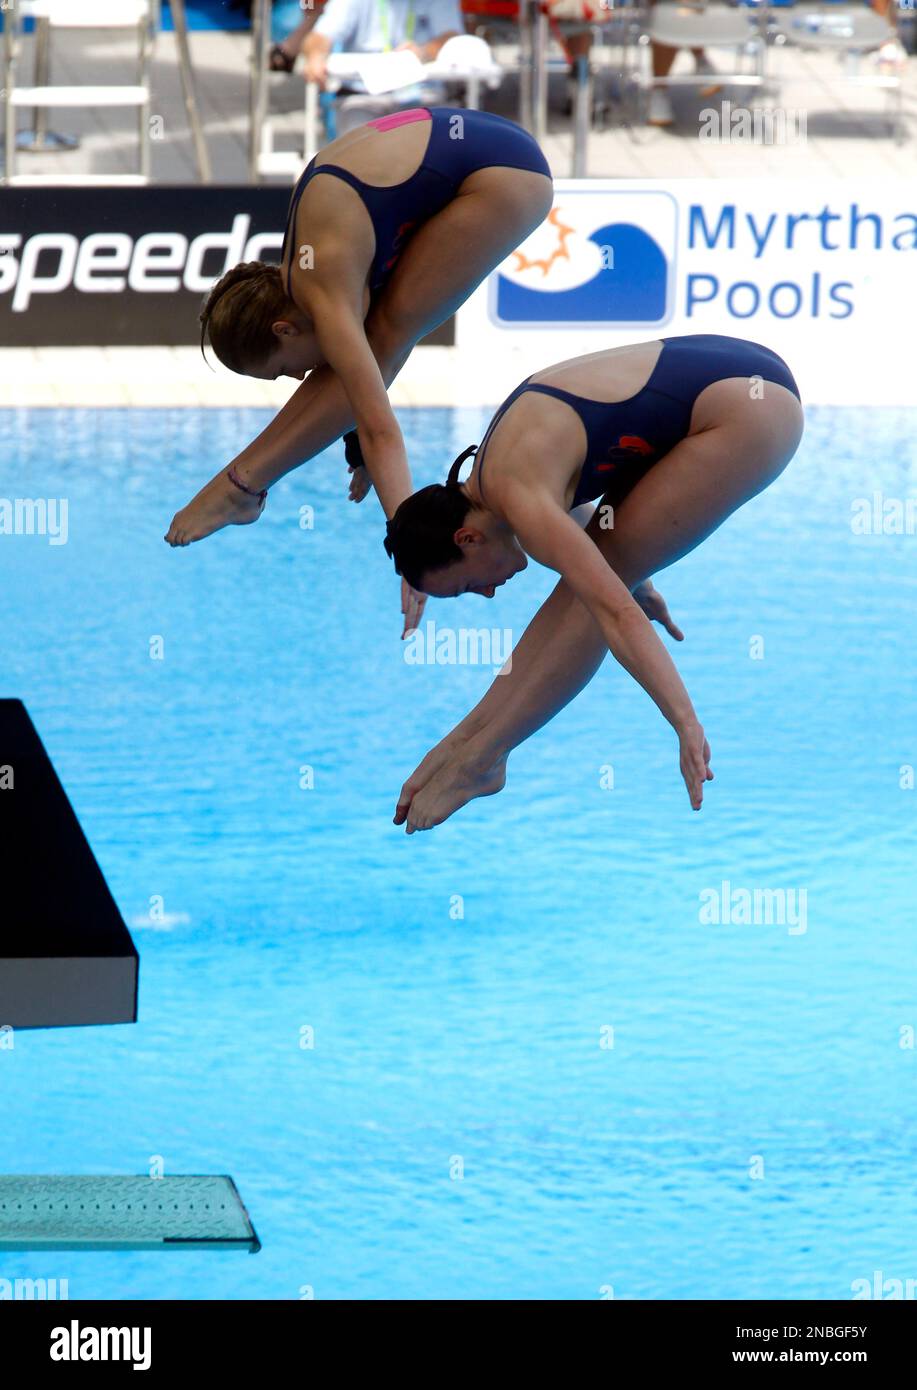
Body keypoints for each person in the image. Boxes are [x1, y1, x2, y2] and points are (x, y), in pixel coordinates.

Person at [383, 334, 804, 827]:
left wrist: (684, 722)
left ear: (467, 539)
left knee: (598, 588)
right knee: (603, 570)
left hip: (750, 414)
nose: (488, 593)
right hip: (745, 371)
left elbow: (615, 614)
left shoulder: (518, 498)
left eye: (464, 587)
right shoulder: (497, 473)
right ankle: (466, 742)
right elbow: (590, 525)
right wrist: (637, 579)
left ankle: (483, 758)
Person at [164, 105, 553, 635]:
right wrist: (354, 444)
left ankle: (242, 483)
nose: (300, 380)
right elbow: (359, 378)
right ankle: (242, 483)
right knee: (381, 337)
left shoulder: (320, 279)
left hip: (506, 177)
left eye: (282, 372)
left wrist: (413, 551)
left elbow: (380, 425)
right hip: (493, 150)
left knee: (389, 334)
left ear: (284, 329)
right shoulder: (305, 268)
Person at [304, 0, 465, 131]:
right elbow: (319, 37)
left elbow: (453, 39)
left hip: (422, 95)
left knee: (428, 148)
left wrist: (424, 51)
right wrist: (315, 55)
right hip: (362, 97)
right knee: (357, 150)